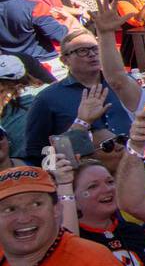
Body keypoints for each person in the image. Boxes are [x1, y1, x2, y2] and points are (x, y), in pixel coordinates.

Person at [20, 29, 133, 165]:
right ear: (65, 60)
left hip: (134, 164)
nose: (92, 54)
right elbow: (35, 151)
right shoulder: (47, 98)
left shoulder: (122, 84)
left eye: (95, 48)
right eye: (82, 51)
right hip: (85, 176)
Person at [0, 0, 64, 61]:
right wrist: (69, 21)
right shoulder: (35, 7)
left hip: (8, 65)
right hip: (42, 62)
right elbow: (60, 35)